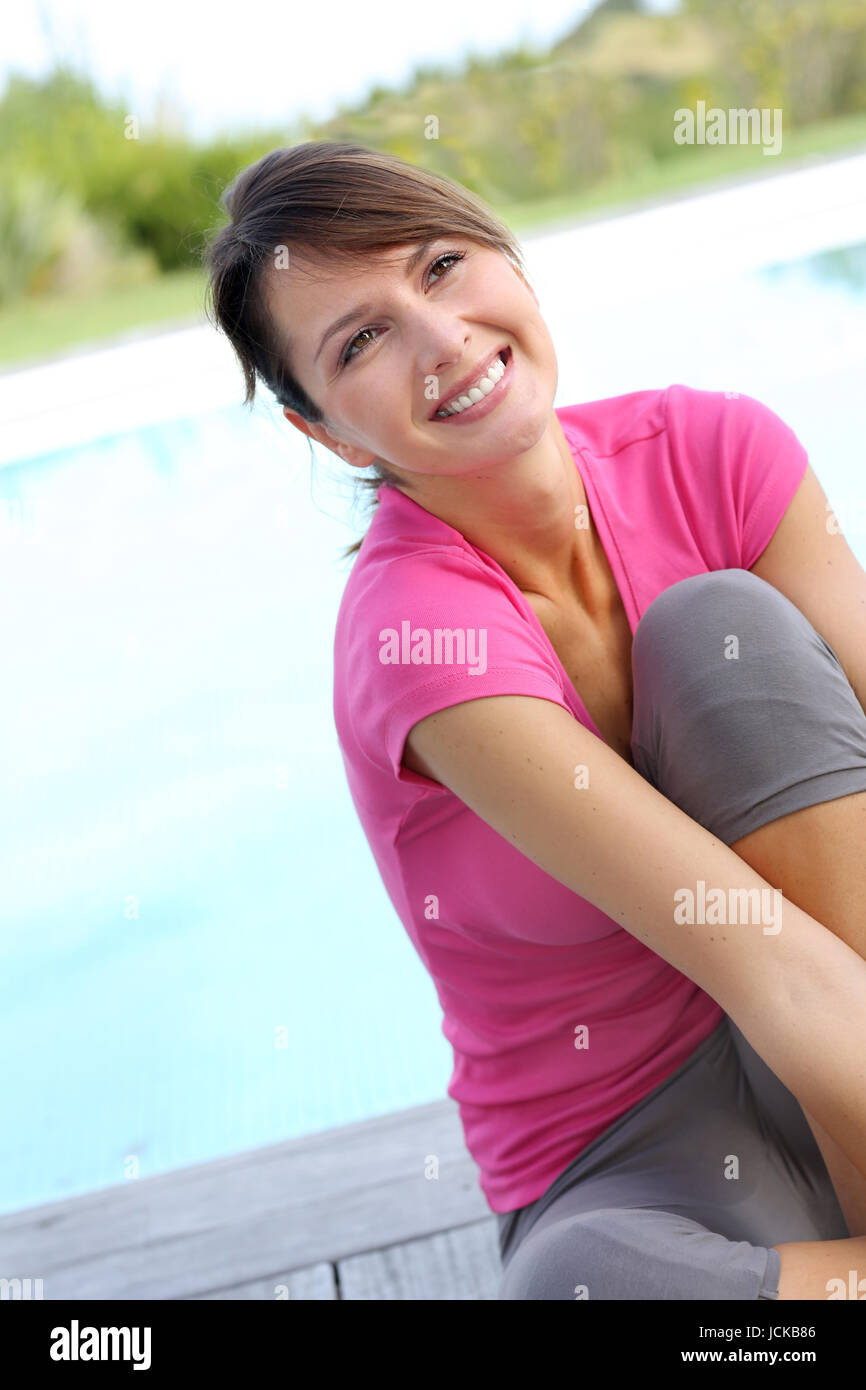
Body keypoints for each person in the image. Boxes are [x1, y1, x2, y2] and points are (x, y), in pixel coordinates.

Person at [203, 141, 866, 1300]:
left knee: (717, 631)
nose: (440, 338)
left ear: (506, 258)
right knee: (582, 1284)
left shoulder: (715, 451)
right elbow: (768, 971)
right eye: (360, 340)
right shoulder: (420, 635)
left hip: (843, 1008)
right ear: (328, 433)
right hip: (642, 1150)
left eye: (442, 266)